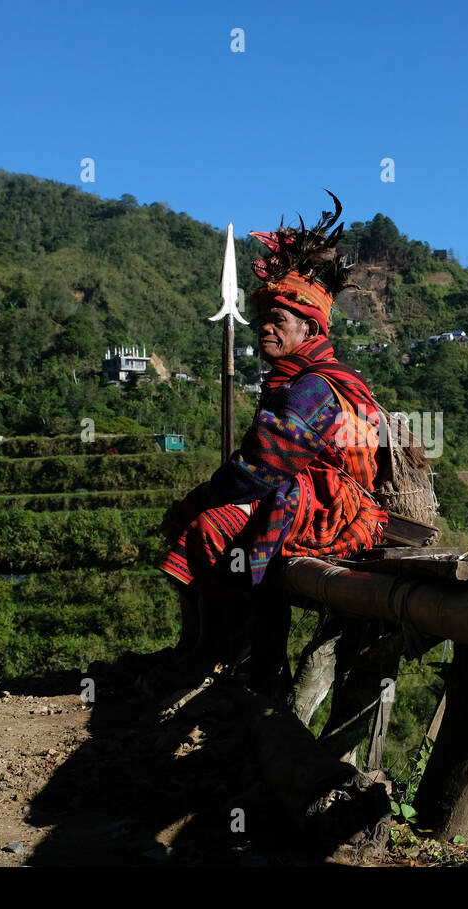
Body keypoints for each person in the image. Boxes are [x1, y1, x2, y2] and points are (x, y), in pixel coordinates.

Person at [157, 192, 387, 691]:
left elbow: (264, 466)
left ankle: (212, 659)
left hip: (332, 509)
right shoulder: (291, 379)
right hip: (299, 494)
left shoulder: (314, 386)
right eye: (261, 320)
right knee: (203, 521)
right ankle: (198, 650)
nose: (264, 328)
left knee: (210, 526)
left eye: (276, 320)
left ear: (309, 325)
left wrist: (202, 497)